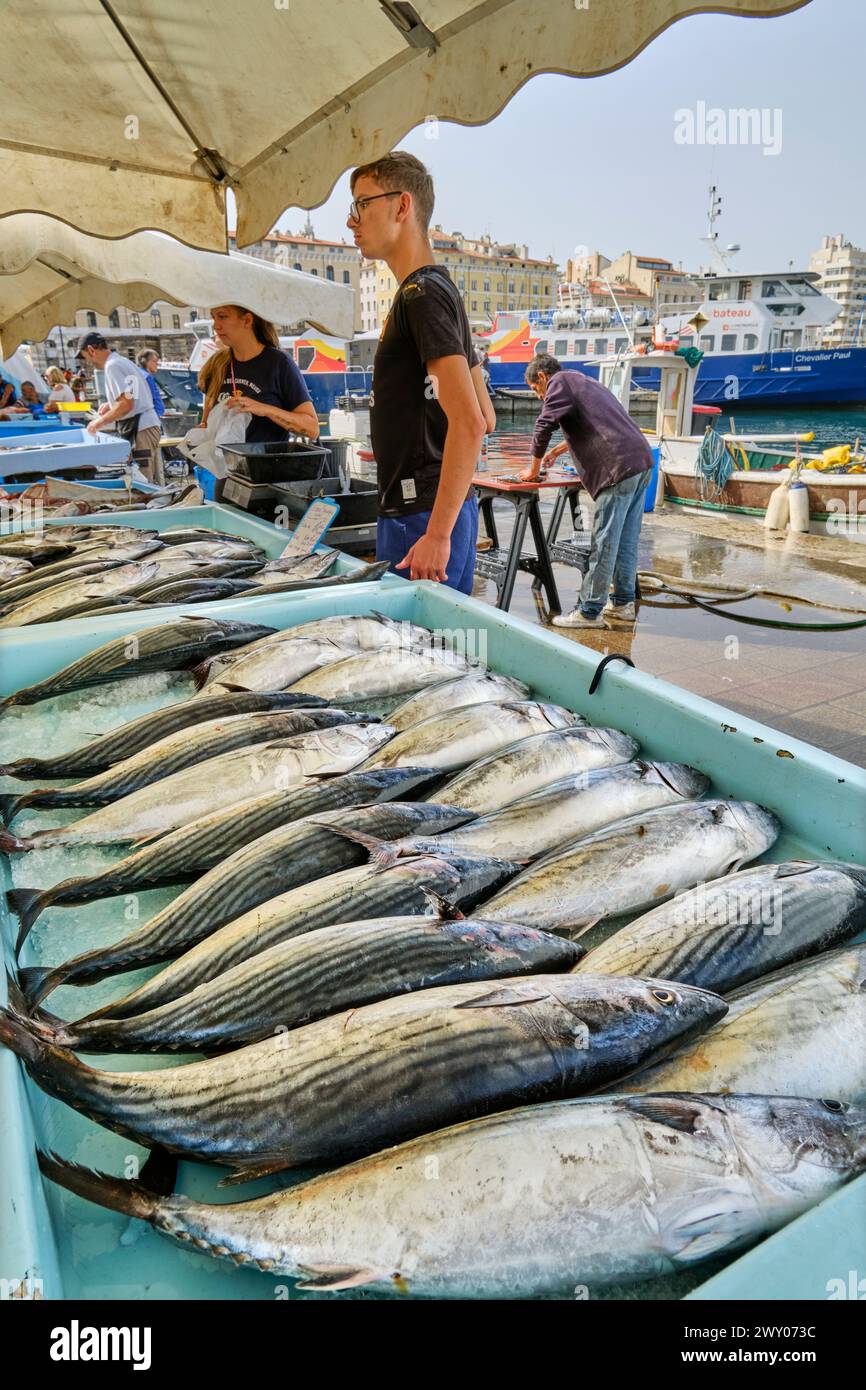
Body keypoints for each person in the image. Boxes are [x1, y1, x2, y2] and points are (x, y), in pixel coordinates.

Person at [347, 150, 495, 592]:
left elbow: (470, 424)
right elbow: (485, 416)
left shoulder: (421, 296)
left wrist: (437, 534)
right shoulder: (438, 289)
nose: (352, 221)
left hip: (422, 518)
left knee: (420, 657)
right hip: (431, 511)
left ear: (402, 205)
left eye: (361, 204)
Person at [520, 353, 654, 629]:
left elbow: (544, 425)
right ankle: (623, 604)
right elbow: (597, 425)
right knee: (625, 541)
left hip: (617, 469)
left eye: (536, 389)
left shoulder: (558, 383)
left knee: (604, 542)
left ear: (543, 377)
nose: (538, 397)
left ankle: (590, 611)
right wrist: (557, 451)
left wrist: (532, 470)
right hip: (640, 463)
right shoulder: (583, 381)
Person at [201, 306, 318, 443]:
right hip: (223, 464)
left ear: (247, 320)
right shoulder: (216, 364)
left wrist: (265, 409)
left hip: (267, 463)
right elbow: (205, 423)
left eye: (222, 316)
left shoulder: (279, 364)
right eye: (213, 317)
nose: (216, 325)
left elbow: (312, 429)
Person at [77, 332, 164, 484]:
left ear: (91, 350)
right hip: (147, 425)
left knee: (143, 481)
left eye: (85, 356)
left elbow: (126, 404)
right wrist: (111, 405)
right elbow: (132, 397)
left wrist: (99, 422)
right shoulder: (122, 361)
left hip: (141, 428)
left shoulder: (112, 366)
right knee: (149, 478)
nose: (88, 362)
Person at [137, 350, 166, 422]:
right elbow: (154, 398)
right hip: (151, 420)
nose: (157, 364)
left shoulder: (136, 374)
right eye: (154, 361)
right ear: (145, 362)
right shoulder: (147, 377)